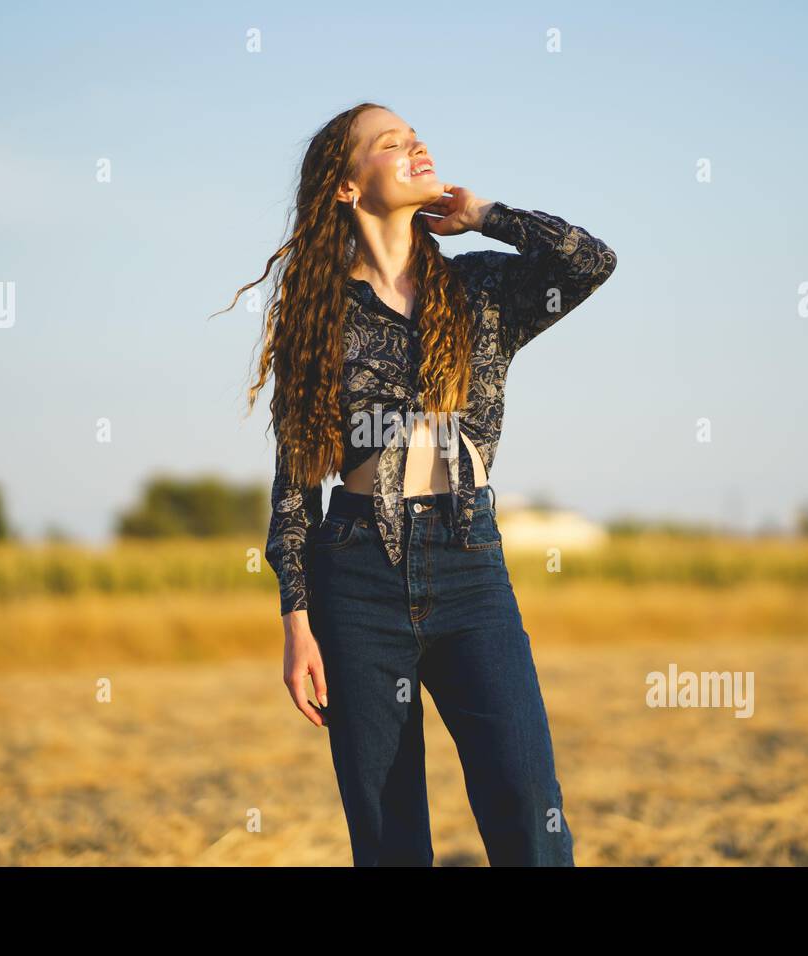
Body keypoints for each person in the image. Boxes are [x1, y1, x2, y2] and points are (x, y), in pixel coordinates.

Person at [216, 102, 617, 865]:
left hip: (469, 565)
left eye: (416, 135)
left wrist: (486, 214)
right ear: (345, 184)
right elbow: (295, 485)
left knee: (529, 806)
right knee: (390, 837)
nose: (415, 144)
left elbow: (591, 261)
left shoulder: (481, 292)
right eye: (390, 143)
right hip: (357, 576)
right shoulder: (318, 315)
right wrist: (297, 620)